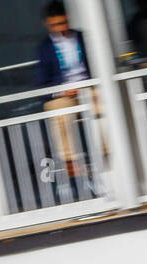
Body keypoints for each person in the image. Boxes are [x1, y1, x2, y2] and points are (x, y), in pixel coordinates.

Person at [34, 1, 94, 181]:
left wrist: (87, 84)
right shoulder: (43, 49)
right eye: (56, 25)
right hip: (63, 94)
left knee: (103, 101)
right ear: (46, 24)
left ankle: (107, 152)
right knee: (60, 110)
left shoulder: (83, 38)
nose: (61, 28)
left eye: (64, 23)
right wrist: (62, 92)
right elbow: (41, 84)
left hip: (89, 87)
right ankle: (70, 162)